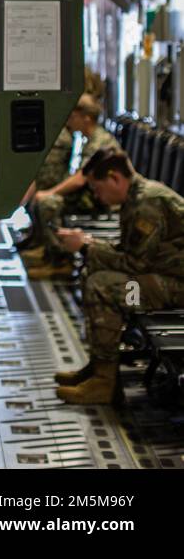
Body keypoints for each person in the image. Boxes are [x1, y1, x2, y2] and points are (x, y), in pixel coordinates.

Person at [53, 147, 184, 404]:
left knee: (103, 285)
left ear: (114, 178)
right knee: (94, 272)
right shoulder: (136, 198)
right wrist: (89, 245)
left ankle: (105, 383)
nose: (96, 195)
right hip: (166, 276)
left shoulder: (148, 202)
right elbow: (130, 252)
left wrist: (87, 246)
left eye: (97, 187)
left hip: (178, 285)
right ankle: (101, 367)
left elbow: (134, 263)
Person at [24, 95, 119, 280]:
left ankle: (61, 261)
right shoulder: (87, 138)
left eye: (73, 117)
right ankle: (47, 251)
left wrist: (49, 193)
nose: (69, 121)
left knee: (48, 203)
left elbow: (81, 179)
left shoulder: (100, 142)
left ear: (86, 118)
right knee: (43, 196)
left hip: (97, 200)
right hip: (88, 196)